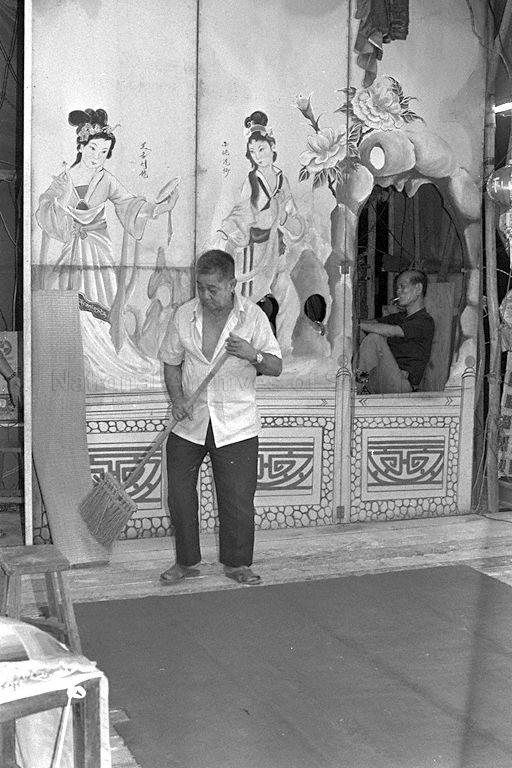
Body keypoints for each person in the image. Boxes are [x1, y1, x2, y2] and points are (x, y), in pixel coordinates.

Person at [158, 249, 282, 586]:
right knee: (180, 496)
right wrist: (178, 399)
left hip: (236, 425)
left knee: (238, 500)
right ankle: (185, 562)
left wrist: (251, 353)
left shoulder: (253, 317)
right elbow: (171, 362)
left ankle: (238, 564)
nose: (205, 295)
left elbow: (275, 365)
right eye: (200, 287)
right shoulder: (184, 316)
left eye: (213, 288)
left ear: (231, 284)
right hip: (190, 421)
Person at [36, 107, 179, 390]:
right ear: (81, 145)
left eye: (103, 151)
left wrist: (160, 208)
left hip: (99, 249)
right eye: (93, 149)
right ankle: (79, 365)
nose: (97, 156)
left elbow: (130, 204)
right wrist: (61, 204)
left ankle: (104, 360)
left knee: (101, 301)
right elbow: (44, 209)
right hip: (72, 249)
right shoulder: (63, 179)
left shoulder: (107, 179)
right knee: (69, 299)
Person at [216, 110, 305, 356]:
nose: (258, 157)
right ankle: (238, 354)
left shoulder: (281, 179)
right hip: (253, 253)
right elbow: (241, 212)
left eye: (262, 150)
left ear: (272, 146)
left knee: (290, 299)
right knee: (249, 306)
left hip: (275, 250)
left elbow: (293, 217)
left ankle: (283, 349)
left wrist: (283, 217)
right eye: (253, 152)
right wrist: (228, 231)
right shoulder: (252, 180)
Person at [357, 269, 434, 394]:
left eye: (403, 287)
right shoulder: (400, 317)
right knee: (360, 334)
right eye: (397, 288)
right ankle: (360, 384)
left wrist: (358, 325)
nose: (398, 291)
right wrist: (353, 322)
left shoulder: (424, 321)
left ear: (418, 289)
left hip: (402, 384)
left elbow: (391, 331)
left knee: (374, 339)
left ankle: (359, 387)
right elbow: (374, 323)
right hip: (385, 378)